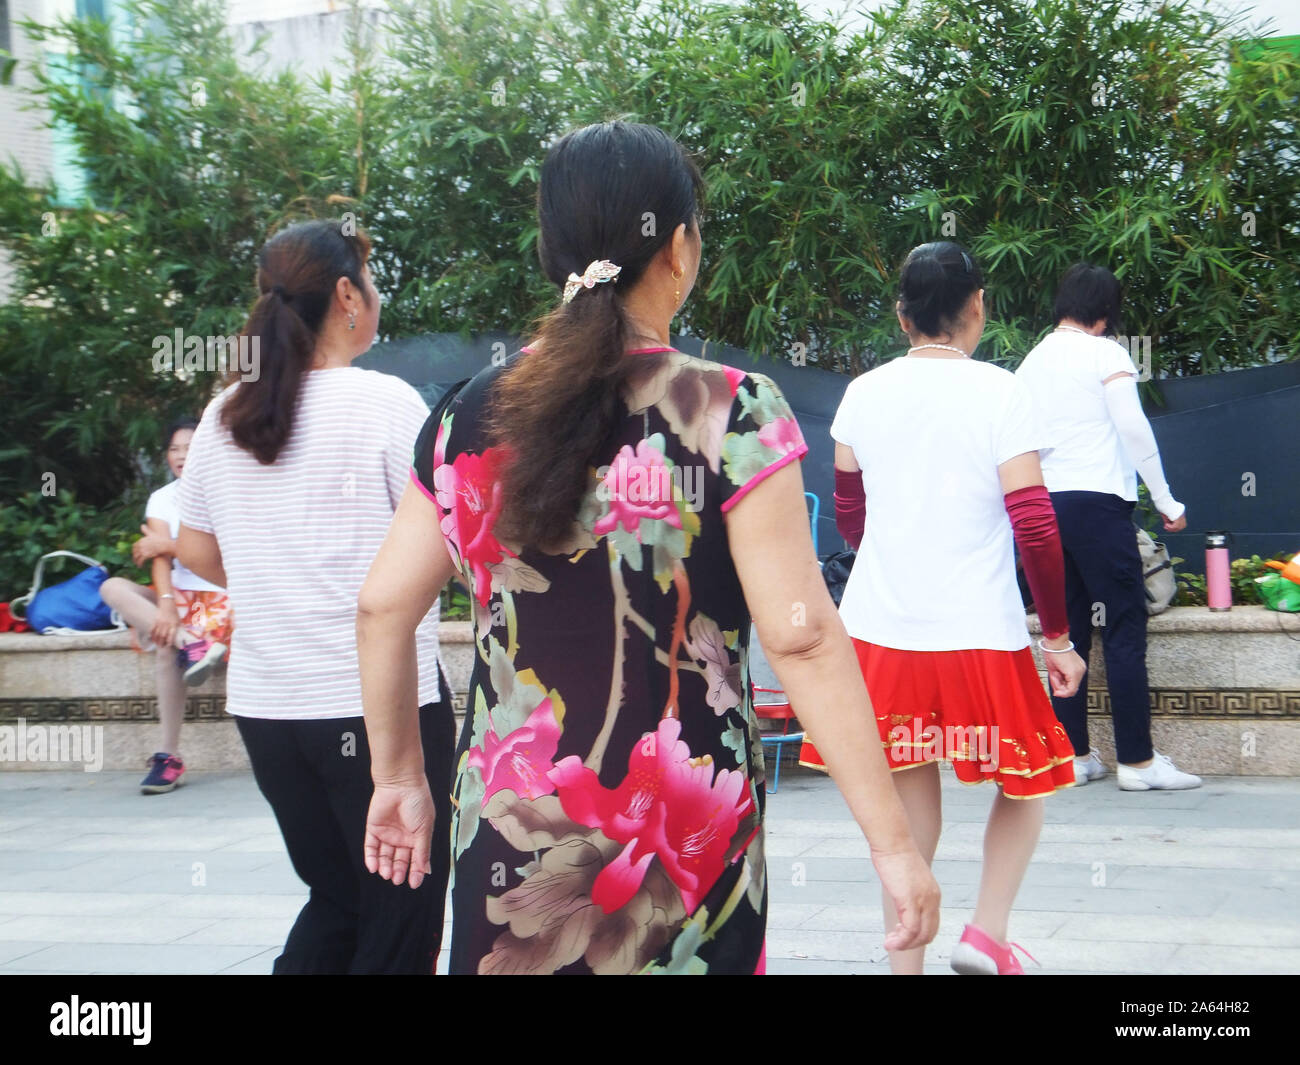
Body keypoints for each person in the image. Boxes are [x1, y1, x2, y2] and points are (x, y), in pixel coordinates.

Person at [355, 120, 940, 976]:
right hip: (687, 835)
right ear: (679, 248)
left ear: (551, 252)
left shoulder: (465, 415)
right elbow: (802, 633)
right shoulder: (730, 410)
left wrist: (399, 775)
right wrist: (893, 846)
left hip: (511, 825)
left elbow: (380, 607)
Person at [174, 219, 454, 974]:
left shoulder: (223, 414)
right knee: (400, 917)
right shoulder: (387, 404)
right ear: (344, 294)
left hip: (270, 711)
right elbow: (449, 542)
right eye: (370, 278)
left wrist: (277, 572)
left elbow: (195, 548)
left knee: (337, 900)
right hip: (379, 708)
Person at [805, 241, 1087, 975]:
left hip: (880, 632)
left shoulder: (862, 392)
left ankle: (907, 969)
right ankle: (985, 933)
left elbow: (850, 516)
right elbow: (1034, 523)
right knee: (1028, 783)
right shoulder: (1001, 391)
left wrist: (897, 555)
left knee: (905, 803)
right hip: (980, 633)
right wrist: (1057, 636)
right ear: (977, 308)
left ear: (902, 316)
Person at [1016, 263, 1201, 791]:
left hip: (1043, 508)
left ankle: (1071, 757)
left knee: (1066, 631)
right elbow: (1132, 427)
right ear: (1104, 314)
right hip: (1097, 505)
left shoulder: (1030, 363)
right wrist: (1166, 500)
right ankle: (1138, 764)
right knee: (1123, 627)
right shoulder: (1106, 353)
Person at [100, 417, 231, 794]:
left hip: (225, 596)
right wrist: (168, 605)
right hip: (181, 601)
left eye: (188, 447)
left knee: (162, 647)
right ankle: (190, 643)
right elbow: (159, 561)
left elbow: (229, 551)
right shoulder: (162, 498)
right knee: (113, 587)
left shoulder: (228, 491)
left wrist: (169, 546)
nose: (180, 456)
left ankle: (168, 755)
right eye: (174, 449)